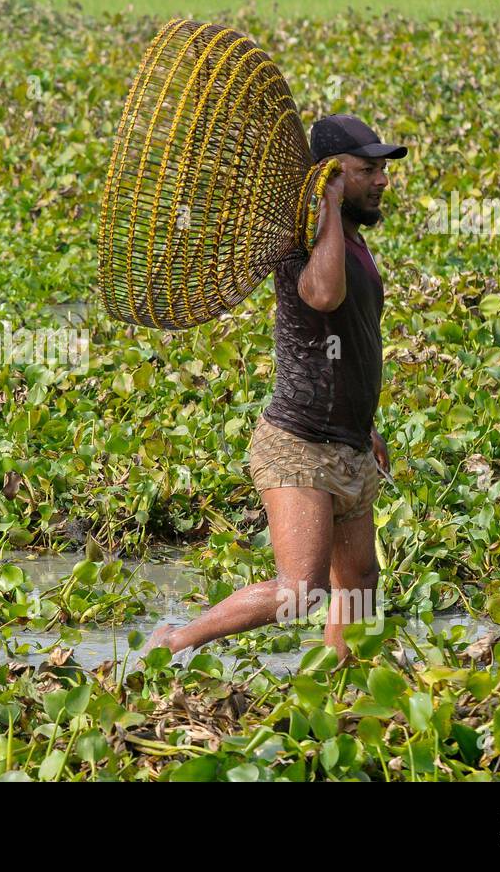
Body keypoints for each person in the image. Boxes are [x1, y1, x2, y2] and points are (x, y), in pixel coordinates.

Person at [147, 114, 408, 664]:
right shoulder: (300, 239)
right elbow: (322, 297)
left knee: (359, 578)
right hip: (299, 443)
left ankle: (340, 688)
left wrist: (367, 426)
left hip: (349, 442)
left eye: (382, 169)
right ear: (331, 176)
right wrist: (328, 209)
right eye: (367, 170)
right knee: (301, 590)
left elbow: (352, 341)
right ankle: (172, 640)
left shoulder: (352, 239)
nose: (382, 180)